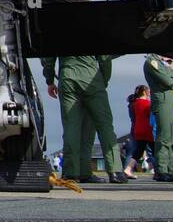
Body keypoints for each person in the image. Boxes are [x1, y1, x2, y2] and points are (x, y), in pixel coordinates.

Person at [41, 55, 127, 184]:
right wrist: (102, 80)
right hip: (92, 77)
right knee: (105, 126)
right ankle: (115, 171)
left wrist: (50, 80)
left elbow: (48, 59)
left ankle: (72, 172)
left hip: (67, 76)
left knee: (71, 127)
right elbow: (104, 58)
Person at [143, 55, 173, 183]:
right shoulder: (152, 61)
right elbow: (170, 81)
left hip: (170, 100)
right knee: (164, 137)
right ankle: (161, 170)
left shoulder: (162, 64)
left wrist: (169, 66)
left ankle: (170, 169)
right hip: (162, 100)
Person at [124, 85, 155, 178]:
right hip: (148, 129)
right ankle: (160, 171)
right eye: (148, 91)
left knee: (138, 151)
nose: (150, 93)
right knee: (155, 151)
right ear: (145, 92)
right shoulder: (148, 103)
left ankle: (128, 169)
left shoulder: (134, 103)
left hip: (138, 129)